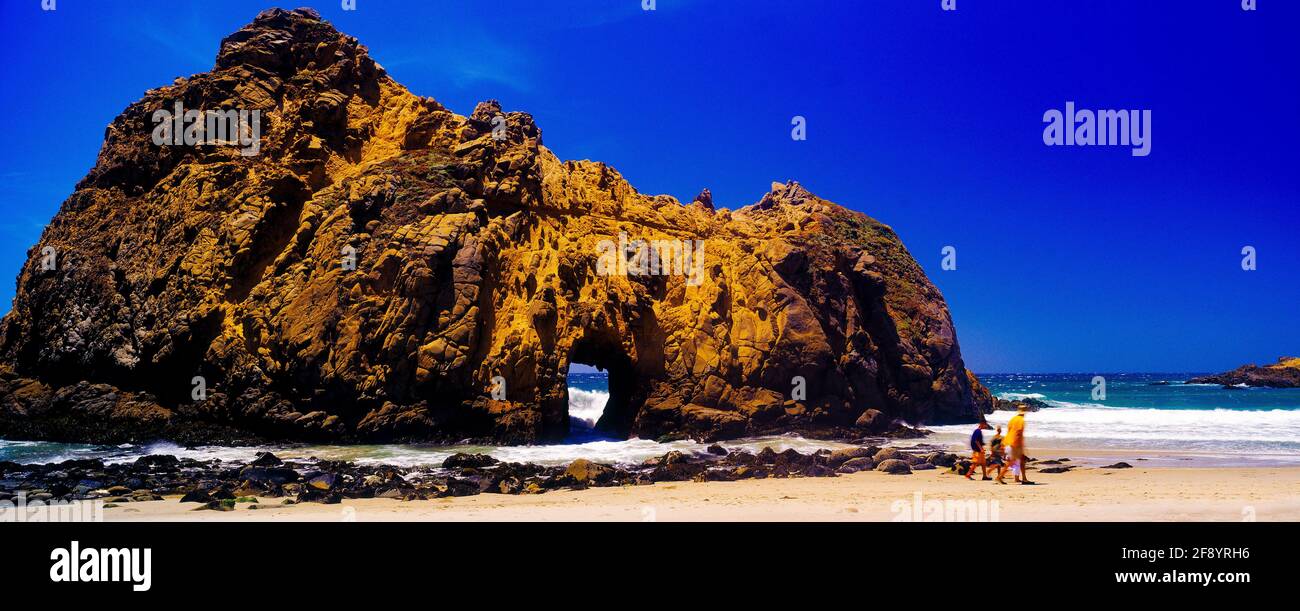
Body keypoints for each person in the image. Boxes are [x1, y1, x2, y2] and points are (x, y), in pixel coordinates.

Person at [998, 405, 1032, 484]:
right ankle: (1000, 477)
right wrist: (1021, 444)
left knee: (1018, 461)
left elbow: (1009, 431)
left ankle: (1023, 478)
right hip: (1015, 443)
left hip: (1008, 442)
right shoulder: (1021, 420)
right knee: (1015, 461)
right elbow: (1018, 433)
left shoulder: (1012, 419)